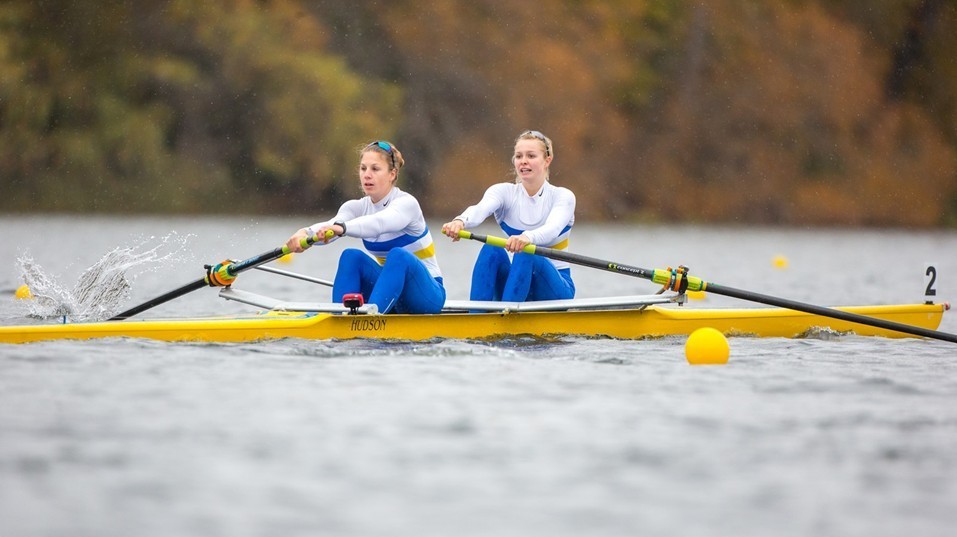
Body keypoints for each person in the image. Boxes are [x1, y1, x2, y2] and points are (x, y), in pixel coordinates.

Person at [285, 140, 445, 314]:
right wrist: (304, 234)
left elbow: (379, 223)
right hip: (392, 290)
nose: (367, 175)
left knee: (398, 256)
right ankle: (340, 318)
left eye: (375, 169)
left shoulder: (407, 204)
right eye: (363, 169)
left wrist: (342, 228)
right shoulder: (355, 207)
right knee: (351, 256)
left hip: (427, 295)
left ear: (392, 174)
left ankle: (371, 319)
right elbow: (331, 226)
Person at [441, 130, 575, 302]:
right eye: (519, 156)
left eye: (531, 156)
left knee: (527, 251)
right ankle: (477, 317)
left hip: (555, 289)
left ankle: (507, 317)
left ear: (547, 160)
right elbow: (479, 209)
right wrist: (460, 221)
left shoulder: (563, 196)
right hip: (517, 282)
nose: (524, 161)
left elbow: (553, 228)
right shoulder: (503, 192)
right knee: (491, 248)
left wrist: (526, 237)